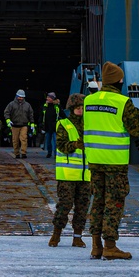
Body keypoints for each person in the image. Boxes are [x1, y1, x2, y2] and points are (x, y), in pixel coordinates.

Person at [84, 61, 139, 260]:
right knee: (114, 202)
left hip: (95, 160)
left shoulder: (88, 101)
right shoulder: (122, 102)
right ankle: (110, 246)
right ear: (119, 81)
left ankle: (96, 246)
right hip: (115, 162)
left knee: (98, 201)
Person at [49, 93, 91, 248]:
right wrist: (74, 145)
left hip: (85, 175)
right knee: (65, 204)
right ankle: (56, 234)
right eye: (77, 107)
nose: (80, 110)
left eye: (82, 108)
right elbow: (61, 145)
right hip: (68, 174)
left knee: (83, 206)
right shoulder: (63, 124)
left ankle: (77, 237)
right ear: (71, 108)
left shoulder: (89, 126)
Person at [4, 89, 34, 159]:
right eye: (19, 97)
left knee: (24, 139)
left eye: (22, 97)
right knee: (15, 140)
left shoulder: (27, 105)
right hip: (14, 125)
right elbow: (6, 112)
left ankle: (23, 153)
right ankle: (16, 153)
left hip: (24, 124)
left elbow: (31, 114)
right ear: (16, 96)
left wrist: (32, 122)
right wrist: (8, 120)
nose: (21, 98)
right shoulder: (11, 104)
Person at [41, 92, 61, 158]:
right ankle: (49, 152)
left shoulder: (57, 106)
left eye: (49, 97)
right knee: (48, 141)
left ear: (52, 99)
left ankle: (55, 154)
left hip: (55, 127)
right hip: (47, 126)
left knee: (55, 141)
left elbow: (62, 114)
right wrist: (41, 125)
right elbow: (42, 116)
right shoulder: (45, 106)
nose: (47, 98)